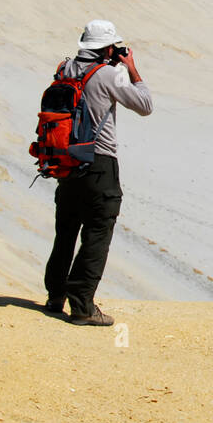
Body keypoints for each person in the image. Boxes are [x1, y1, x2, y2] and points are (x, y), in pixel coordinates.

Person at [43, 19, 153, 325]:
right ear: (106, 47)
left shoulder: (65, 69)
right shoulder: (109, 75)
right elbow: (145, 105)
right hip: (99, 163)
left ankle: (55, 297)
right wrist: (131, 68)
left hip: (66, 163)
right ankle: (81, 305)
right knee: (97, 231)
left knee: (65, 232)